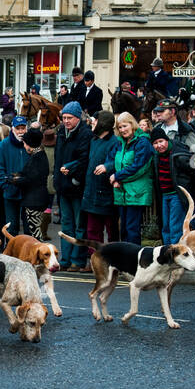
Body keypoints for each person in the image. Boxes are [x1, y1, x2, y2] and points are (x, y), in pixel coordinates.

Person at [96, 112, 153, 244]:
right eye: (120, 127)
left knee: (132, 229)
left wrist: (117, 177)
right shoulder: (119, 142)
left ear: (132, 124)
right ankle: (125, 259)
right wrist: (112, 174)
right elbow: (111, 159)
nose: (122, 130)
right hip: (121, 192)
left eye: (125, 126)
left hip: (136, 192)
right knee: (124, 230)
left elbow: (139, 167)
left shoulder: (142, 142)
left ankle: (134, 260)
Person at [54, 101, 91, 269]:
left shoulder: (85, 134)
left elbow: (84, 160)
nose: (66, 121)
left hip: (77, 187)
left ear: (78, 118)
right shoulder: (62, 132)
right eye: (64, 118)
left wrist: (75, 178)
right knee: (66, 225)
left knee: (79, 226)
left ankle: (77, 260)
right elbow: (57, 160)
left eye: (70, 118)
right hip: (63, 187)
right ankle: (65, 260)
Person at [81, 110, 119, 253]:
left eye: (95, 120)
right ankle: (95, 261)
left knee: (112, 232)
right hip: (91, 193)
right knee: (92, 231)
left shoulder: (114, 142)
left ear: (102, 123)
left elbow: (116, 161)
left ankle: (114, 261)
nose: (92, 122)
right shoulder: (94, 140)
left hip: (107, 194)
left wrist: (107, 166)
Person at [5, 127, 51, 238]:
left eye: (25, 143)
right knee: (34, 231)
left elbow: (30, 179)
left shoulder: (37, 158)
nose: (24, 146)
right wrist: (16, 175)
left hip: (34, 201)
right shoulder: (38, 155)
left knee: (35, 233)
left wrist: (13, 180)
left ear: (30, 144)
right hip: (36, 199)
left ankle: (38, 254)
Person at [0, 115, 31, 235]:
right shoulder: (3, 145)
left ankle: (27, 254)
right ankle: (11, 253)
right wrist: (7, 187)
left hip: (28, 193)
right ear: (12, 128)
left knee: (29, 229)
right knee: (11, 229)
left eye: (23, 128)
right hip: (10, 193)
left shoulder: (31, 144)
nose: (21, 131)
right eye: (18, 128)